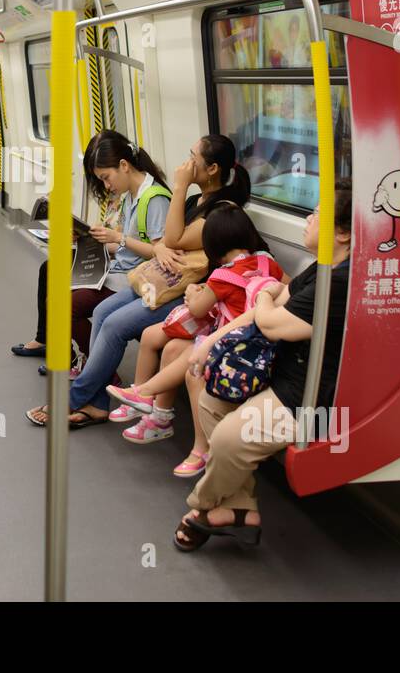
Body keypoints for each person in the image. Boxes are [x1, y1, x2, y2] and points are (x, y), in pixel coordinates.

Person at [25, 134, 252, 427]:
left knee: (116, 325)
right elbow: (170, 245)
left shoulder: (221, 209)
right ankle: (96, 403)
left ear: (212, 169)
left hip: (183, 293)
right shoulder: (197, 200)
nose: (185, 164)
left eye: (193, 158)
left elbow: (172, 238)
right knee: (103, 312)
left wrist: (180, 185)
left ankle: (76, 399)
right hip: (161, 279)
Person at [173, 183, 352, 552]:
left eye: (318, 214)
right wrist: (208, 343)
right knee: (210, 398)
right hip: (284, 376)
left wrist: (268, 296)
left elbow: (272, 321)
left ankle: (202, 509)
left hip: (309, 400)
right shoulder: (320, 269)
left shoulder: (339, 283)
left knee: (225, 440)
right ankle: (240, 508)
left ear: (344, 232)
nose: (308, 218)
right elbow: (264, 306)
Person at [107, 203, 283, 474]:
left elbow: (198, 309)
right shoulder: (265, 261)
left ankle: (145, 394)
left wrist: (193, 292)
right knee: (175, 347)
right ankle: (159, 417)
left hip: (235, 349)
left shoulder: (223, 275)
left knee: (193, 363)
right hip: (258, 343)